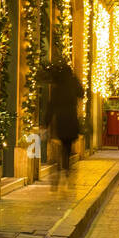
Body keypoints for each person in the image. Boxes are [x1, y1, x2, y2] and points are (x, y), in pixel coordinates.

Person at [44, 61, 83, 189]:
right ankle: (65, 170)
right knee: (67, 146)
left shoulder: (57, 87)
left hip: (59, 120)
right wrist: (76, 78)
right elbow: (81, 93)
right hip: (71, 119)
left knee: (58, 145)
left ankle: (57, 172)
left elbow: (51, 106)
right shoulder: (72, 84)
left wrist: (46, 122)